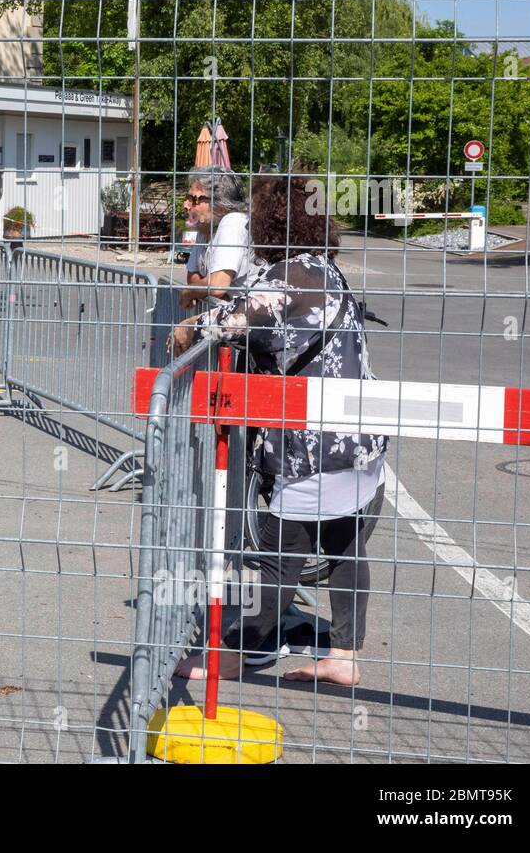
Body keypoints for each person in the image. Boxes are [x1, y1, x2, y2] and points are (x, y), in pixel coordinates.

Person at [168, 174, 388, 686]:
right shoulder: (325, 271)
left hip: (317, 447)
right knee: (344, 546)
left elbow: (235, 318)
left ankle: (231, 654)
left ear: (268, 225)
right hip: (358, 443)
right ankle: (346, 655)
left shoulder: (292, 275)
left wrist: (188, 330)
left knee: (275, 553)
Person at [178, 165, 262, 308]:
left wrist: (188, 293)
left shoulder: (233, 221)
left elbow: (217, 285)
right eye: (188, 197)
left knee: (183, 329)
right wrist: (200, 288)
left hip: (256, 319)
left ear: (220, 206)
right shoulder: (204, 229)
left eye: (194, 199)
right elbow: (192, 277)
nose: (186, 204)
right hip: (236, 314)